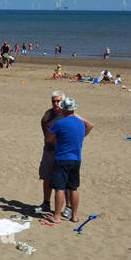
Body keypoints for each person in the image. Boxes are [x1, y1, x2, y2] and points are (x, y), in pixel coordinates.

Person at [43, 96, 93, 225]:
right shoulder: (80, 124)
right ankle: (74, 216)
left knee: (59, 188)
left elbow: (48, 138)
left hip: (62, 158)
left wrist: (57, 140)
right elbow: (89, 126)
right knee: (73, 188)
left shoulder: (60, 123)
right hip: (76, 158)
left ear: (64, 109)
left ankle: (57, 216)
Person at [36, 91, 63, 213]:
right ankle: (46, 203)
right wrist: (46, 136)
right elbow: (43, 122)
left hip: (62, 152)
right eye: (54, 101)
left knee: (62, 180)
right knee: (46, 177)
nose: (56, 103)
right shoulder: (49, 113)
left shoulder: (66, 113)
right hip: (48, 150)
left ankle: (67, 207)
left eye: (58, 101)